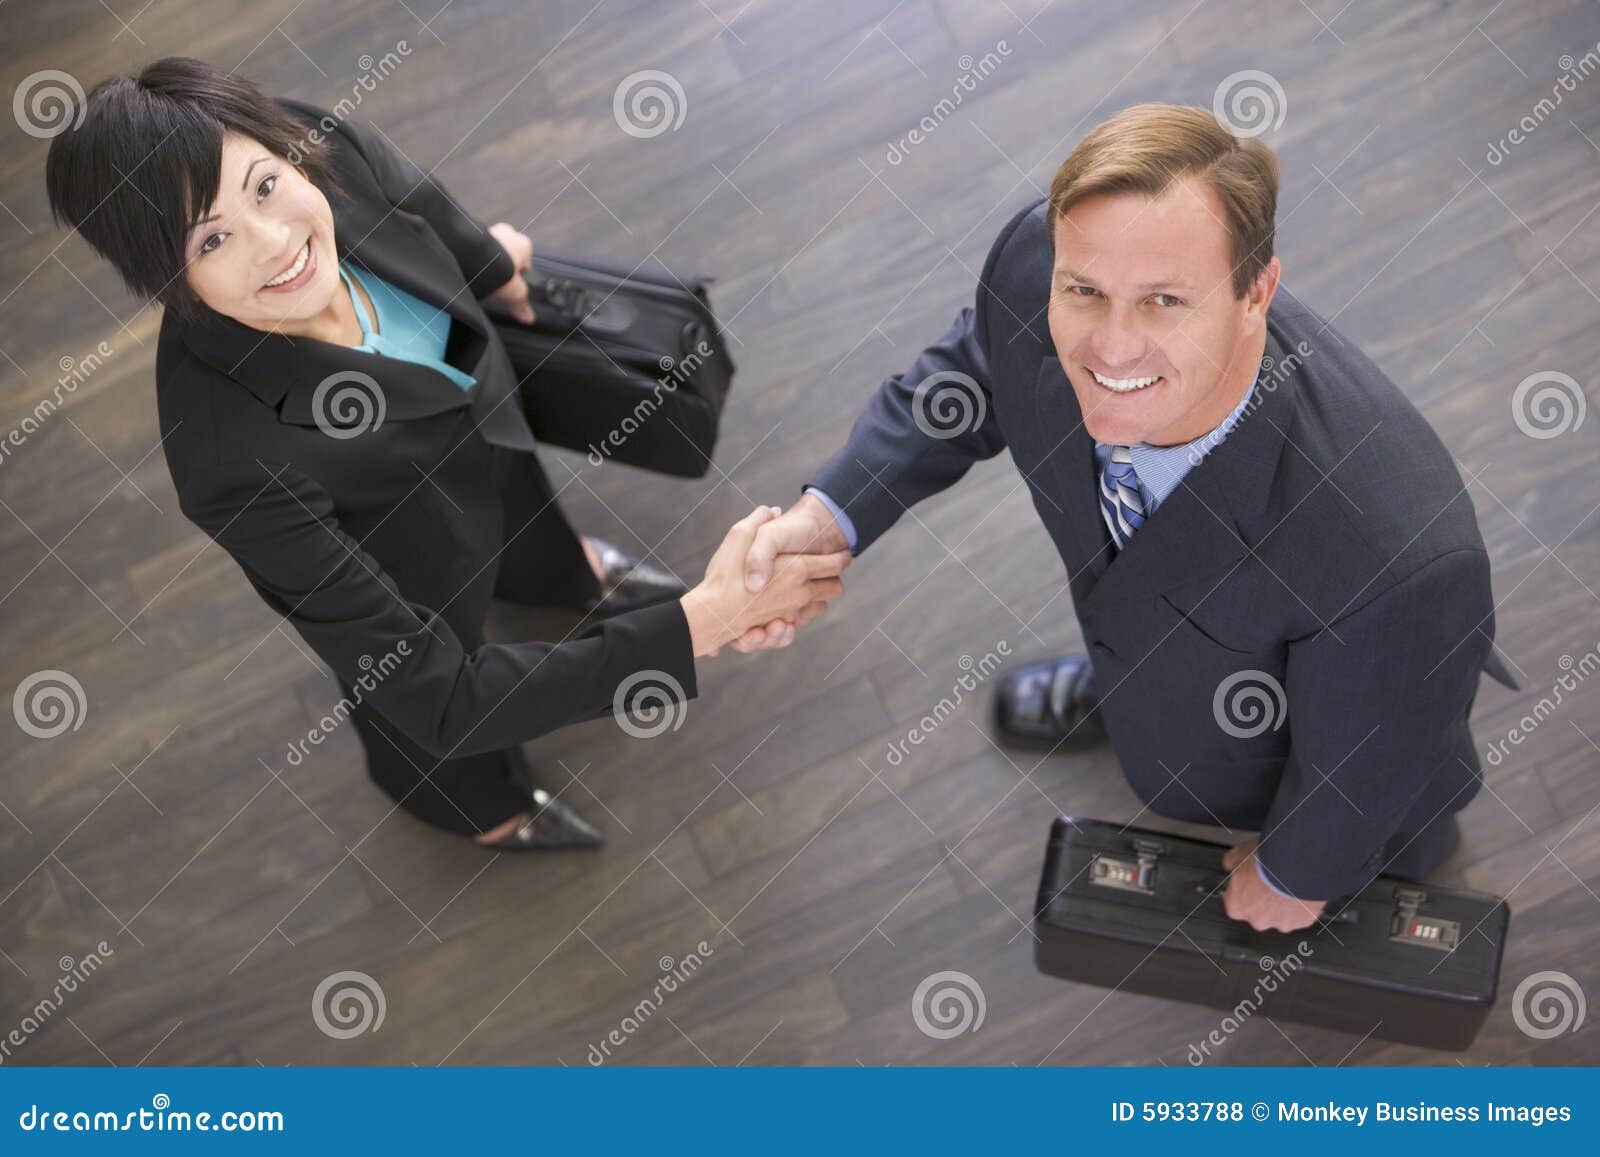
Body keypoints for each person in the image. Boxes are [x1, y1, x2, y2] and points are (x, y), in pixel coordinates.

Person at [737, 102, 1517, 932]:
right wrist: (832, 514)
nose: (1110, 349)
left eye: (1164, 301)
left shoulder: (1394, 555)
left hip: (1334, 754)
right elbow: (980, 366)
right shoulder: (1037, 259)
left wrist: (1295, 873)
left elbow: (1377, 756)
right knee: (1158, 643)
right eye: (1085, 292)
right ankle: (1129, 697)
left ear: (1255, 293)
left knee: (1385, 836)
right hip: (1176, 666)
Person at [45, 58, 848, 850]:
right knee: (421, 709)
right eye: (212, 239)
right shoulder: (231, 465)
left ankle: (566, 575)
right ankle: (478, 807)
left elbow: (414, 198)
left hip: (477, 407)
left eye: (263, 188)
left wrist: (493, 270)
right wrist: (703, 623)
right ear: (166, 279)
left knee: (512, 484)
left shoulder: (309, 143)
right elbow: (439, 697)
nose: (276, 241)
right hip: (408, 560)